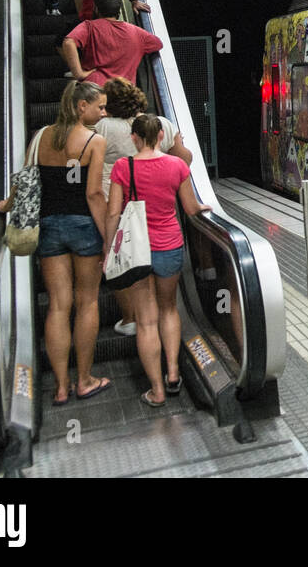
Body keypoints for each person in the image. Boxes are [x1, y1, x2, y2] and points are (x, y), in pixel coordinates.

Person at [0, 81, 111, 404]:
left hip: (48, 225)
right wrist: (107, 237)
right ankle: (84, 380)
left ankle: (61, 387)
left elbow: (27, 176)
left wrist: (8, 205)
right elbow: (93, 194)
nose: (103, 112)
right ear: (79, 107)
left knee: (59, 305)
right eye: (98, 106)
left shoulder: (41, 136)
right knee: (87, 301)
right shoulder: (93, 141)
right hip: (83, 225)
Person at [105, 114, 210, 406]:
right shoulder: (177, 165)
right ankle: (173, 373)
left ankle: (157, 390)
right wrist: (203, 205)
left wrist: (108, 247)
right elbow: (190, 208)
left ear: (134, 138)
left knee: (146, 321)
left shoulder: (122, 167)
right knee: (169, 310)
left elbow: (114, 213)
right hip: (169, 245)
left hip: (137, 251)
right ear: (161, 136)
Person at [96, 78, 193, 337]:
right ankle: (170, 363)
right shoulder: (163, 124)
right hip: (164, 223)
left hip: (119, 208)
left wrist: (107, 243)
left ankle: (130, 318)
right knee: (167, 303)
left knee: (122, 261)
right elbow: (184, 158)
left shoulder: (102, 127)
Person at [62, 0, 164, 86]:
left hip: (95, 89)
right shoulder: (137, 32)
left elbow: (68, 42)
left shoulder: (89, 27)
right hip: (123, 91)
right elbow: (158, 44)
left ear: (96, 9)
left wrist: (79, 74)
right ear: (118, 10)